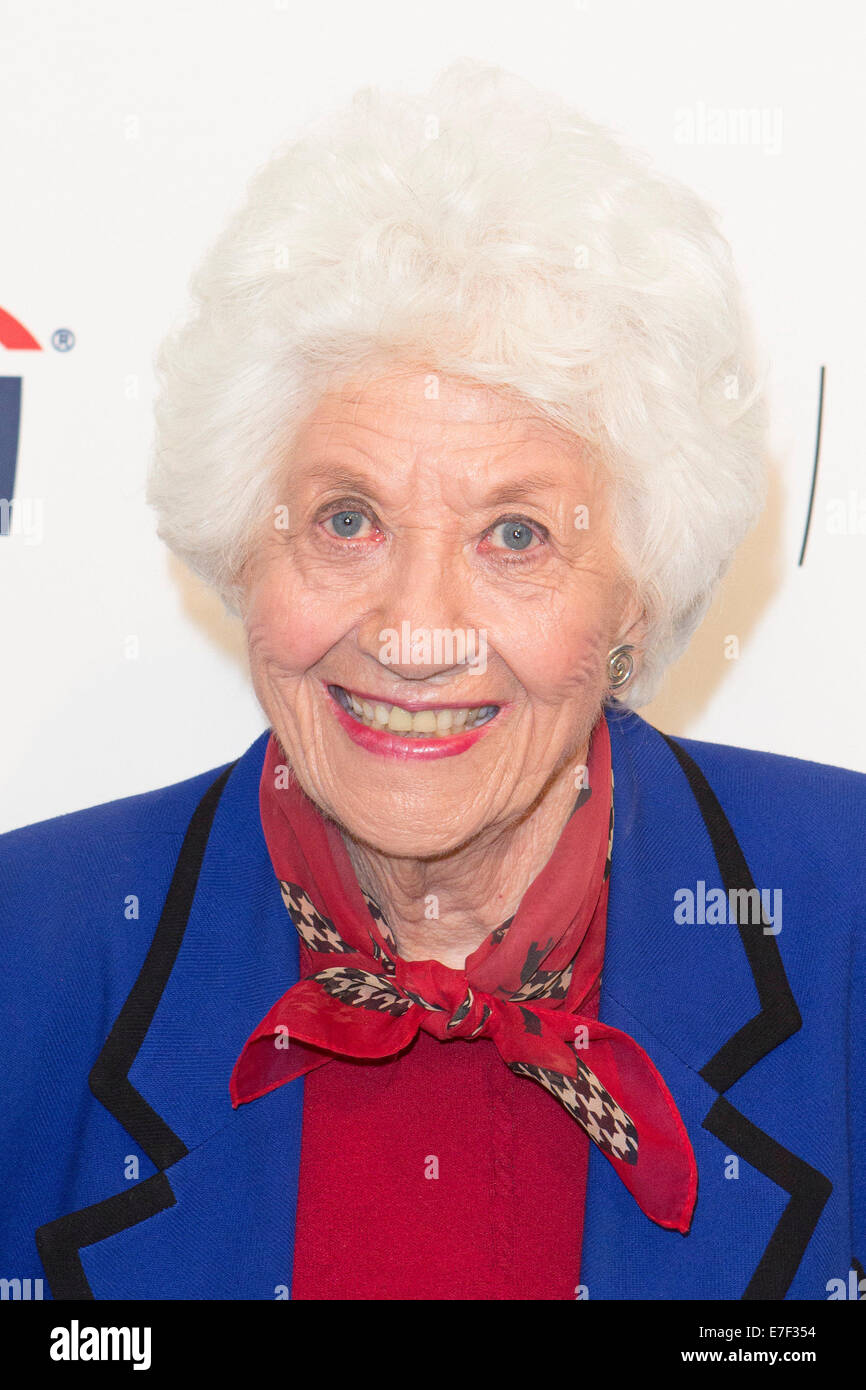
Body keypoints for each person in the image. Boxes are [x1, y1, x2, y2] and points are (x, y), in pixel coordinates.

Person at [1, 59, 863, 1302]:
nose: (413, 633)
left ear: (633, 593)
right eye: (347, 520)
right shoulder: (30, 949)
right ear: (245, 544)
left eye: (515, 534)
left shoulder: (836, 933)